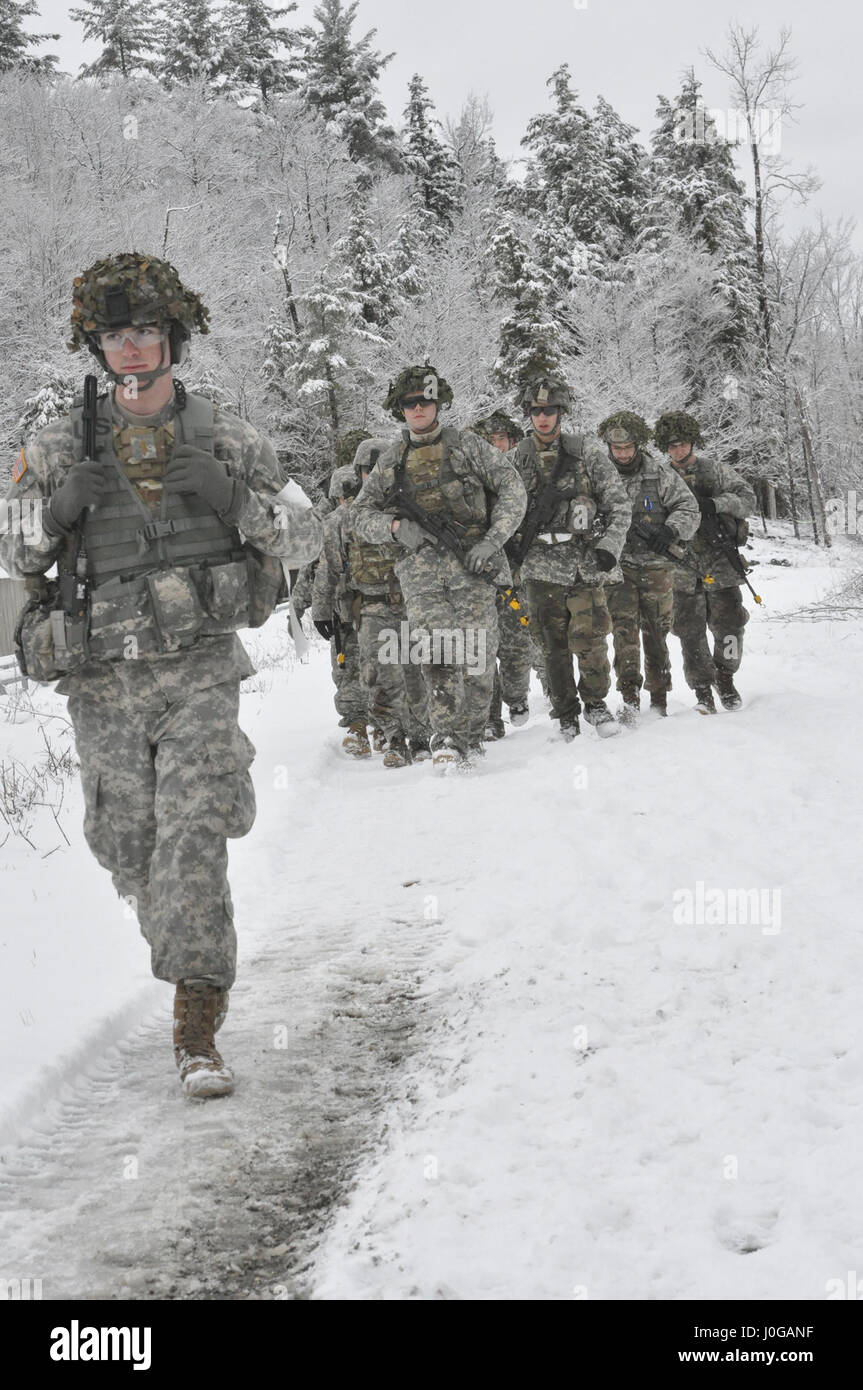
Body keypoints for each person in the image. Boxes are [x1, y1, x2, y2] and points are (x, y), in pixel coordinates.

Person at [0, 253, 321, 1099]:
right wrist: (56, 512)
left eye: (145, 330)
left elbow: (309, 537)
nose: (131, 348)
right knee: (125, 844)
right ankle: (184, 951)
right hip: (102, 681)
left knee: (191, 834)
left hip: (199, 671)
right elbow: (14, 551)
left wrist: (233, 500)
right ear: (94, 346)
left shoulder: (224, 436)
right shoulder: (57, 443)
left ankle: (197, 1022)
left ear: (172, 337)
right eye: (113, 334)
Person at [351, 365, 526, 770]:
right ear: (400, 409)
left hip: (474, 567)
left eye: (424, 402)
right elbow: (359, 514)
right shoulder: (391, 461)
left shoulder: (468, 446)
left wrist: (491, 540)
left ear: (438, 403)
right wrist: (393, 527)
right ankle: (446, 736)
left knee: (480, 659)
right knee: (438, 653)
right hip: (422, 575)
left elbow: (512, 490)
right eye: (409, 404)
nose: (417, 410)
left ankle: (472, 734)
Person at [507, 377, 631, 740]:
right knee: (551, 644)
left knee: (592, 638)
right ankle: (565, 713)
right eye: (536, 411)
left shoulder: (587, 454)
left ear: (561, 413)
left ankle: (595, 703)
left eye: (549, 411)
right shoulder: (515, 460)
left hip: (582, 561)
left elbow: (619, 504)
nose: (542, 418)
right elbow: (500, 510)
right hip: (539, 564)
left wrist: (610, 544)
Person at [597, 412, 699, 724]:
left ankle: (659, 698)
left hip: (656, 568)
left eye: (628, 447)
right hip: (619, 567)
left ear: (638, 445)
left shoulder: (659, 474)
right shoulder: (599, 475)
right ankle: (629, 699)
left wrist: (670, 531)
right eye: (617, 449)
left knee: (657, 633)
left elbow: (689, 508)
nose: (623, 454)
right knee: (624, 633)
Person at [654, 411, 757, 713]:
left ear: (692, 442)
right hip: (683, 566)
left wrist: (715, 504)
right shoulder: (660, 478)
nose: (678, 451)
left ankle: (725, 677)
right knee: (689, 632)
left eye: (682, 444)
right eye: (671, 446)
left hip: (721, 563)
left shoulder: (715, 471)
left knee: (730, 625)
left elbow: (748, 499)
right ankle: (702, 690)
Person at [471, 411, 544, 739]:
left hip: (517, 572)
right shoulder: (468, 478)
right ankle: (489, 716)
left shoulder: (523, 473)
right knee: (480, 648)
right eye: (489, 440)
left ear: (511, 441)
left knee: (516, 645)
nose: (494, 445)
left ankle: (516, 697)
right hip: (479, 574)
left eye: (500, 439)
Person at [311, 464, 371, 756]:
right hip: (348, 611)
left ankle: (379, 728)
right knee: (350, 670)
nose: (345, 503)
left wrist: (320, 609)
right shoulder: (333, 524)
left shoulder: (376, 515)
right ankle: (361, 728)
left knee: (371, 668)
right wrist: (320, 609)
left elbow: (324, 572)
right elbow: (325, 571)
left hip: (370, 606)